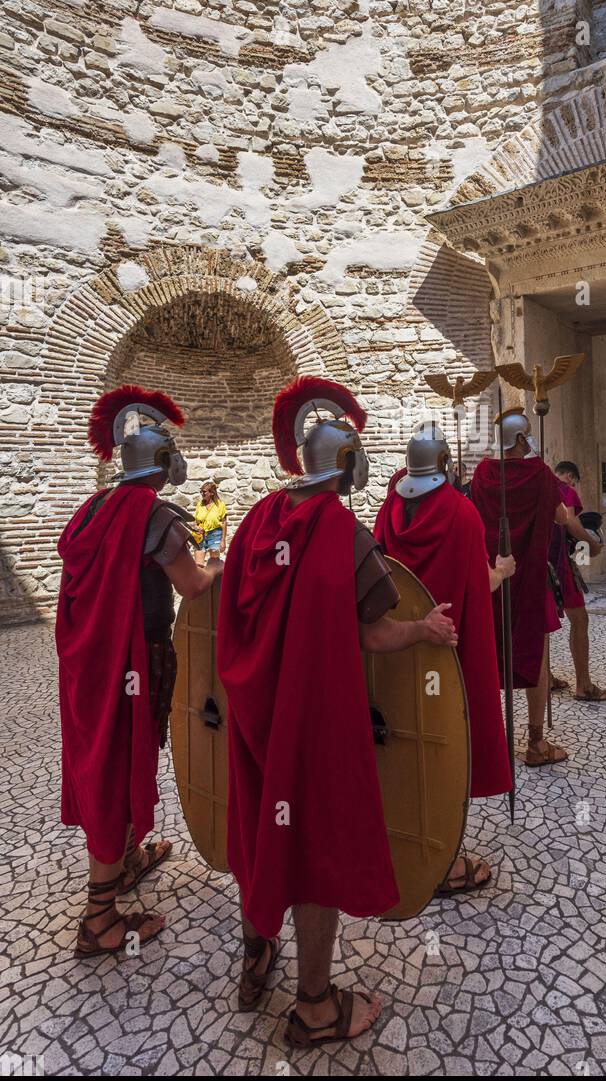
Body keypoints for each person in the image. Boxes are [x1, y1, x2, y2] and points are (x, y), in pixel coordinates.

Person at [218, 377, 457, 1047]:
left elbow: (233, 605)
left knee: (264, 831)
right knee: (312, 846)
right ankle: (317, 1008)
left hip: (252, 712)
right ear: (346, 462)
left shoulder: (259, 518)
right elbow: (371, 632)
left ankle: (255, 955)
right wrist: (425, 632)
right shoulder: (338, 530)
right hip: (311, 719)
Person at [56, 385, 221, 958]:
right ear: (161, 463)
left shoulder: (93, 509)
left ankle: (126, 861)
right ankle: (100, 918)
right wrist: (220, 565)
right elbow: (192, 586)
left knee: (120, 755)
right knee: (121, 761)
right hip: (137, 658)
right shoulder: (152, 517)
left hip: (91, 664)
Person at [375, 422, 515, 894]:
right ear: (444, 464)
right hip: (448, 659)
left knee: (402, 743)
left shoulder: (388, 508)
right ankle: (442, 862)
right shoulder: (462, 513)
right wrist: (501, 572)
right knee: (444, 749)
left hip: (397, 651)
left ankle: (398, 846)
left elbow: (382, 583)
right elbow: (474, 591)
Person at [471, 408, 599, 767]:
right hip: (530, 581)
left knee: (491, 652)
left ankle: (488, 737)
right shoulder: (539, 474)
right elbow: (561, 516)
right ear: (521, 440)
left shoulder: (481, 472)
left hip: (493, 580)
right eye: (526, 436)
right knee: (535, 657)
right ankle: (536, 742)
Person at [550, 460, 606, 702]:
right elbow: (571, 523)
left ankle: (544, 679)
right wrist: (593, 545)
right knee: (580, 619)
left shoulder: (535, 487)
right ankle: (583, 685)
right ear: (568, 476)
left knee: (542, 623)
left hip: (534, 563)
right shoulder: (565, 491)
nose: (572, 482)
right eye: (573, 478)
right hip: (560, 564)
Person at [193, 480, 228, 564]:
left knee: (214, 563)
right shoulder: (199, 504)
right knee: (198, 564)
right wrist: (196, 527)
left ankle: (215, 577)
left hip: (215, 534)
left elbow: (224, 523)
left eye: (204, 492)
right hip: (200, 536)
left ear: (212, 493)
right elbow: (196, 521)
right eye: (201, 491)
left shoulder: (220, 505)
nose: (202, 493)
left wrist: (223, 541)